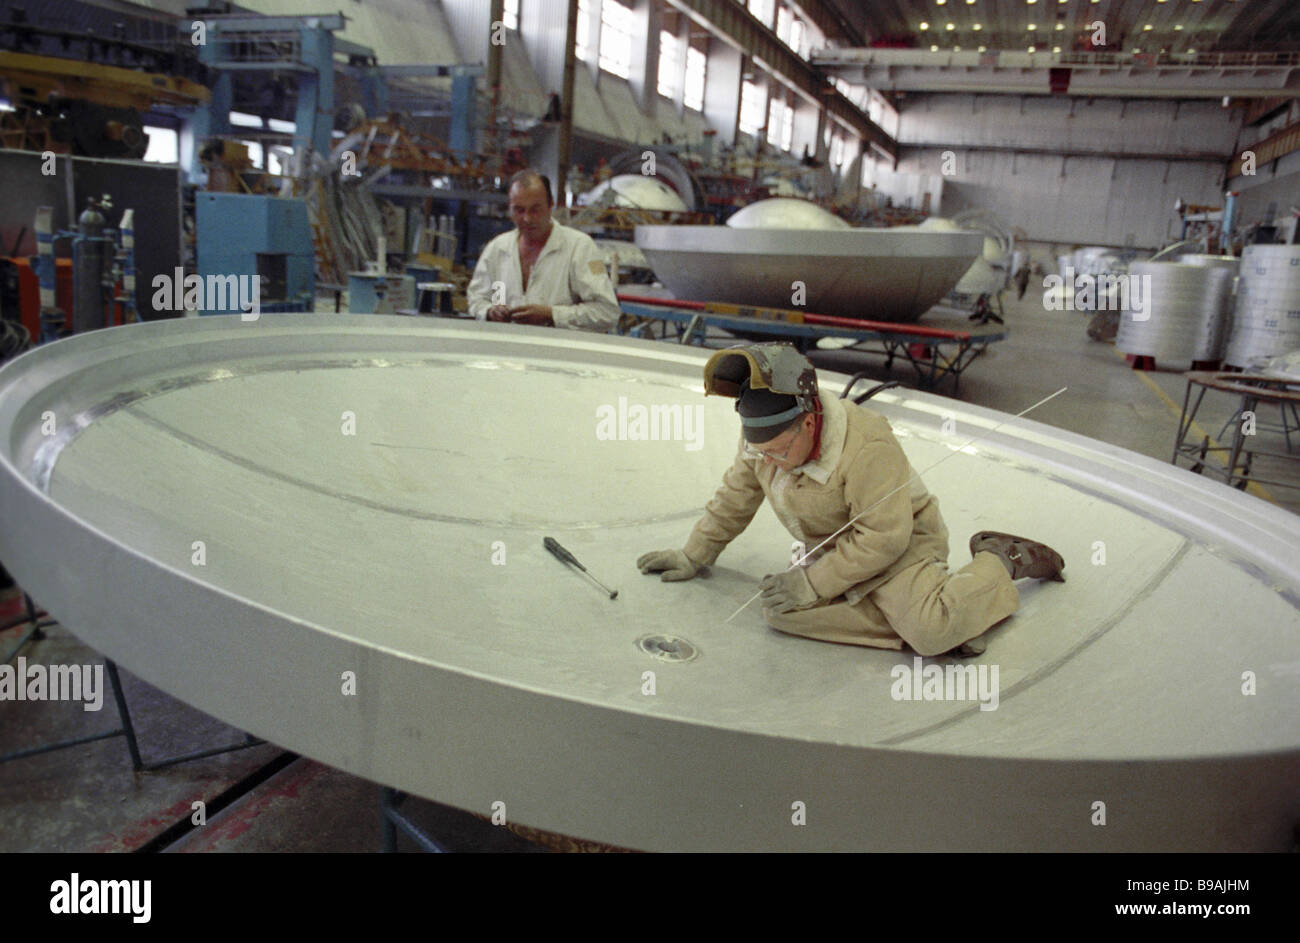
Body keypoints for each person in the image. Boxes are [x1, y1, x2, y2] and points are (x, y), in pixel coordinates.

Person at [636, 343, 1066, 657]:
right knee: (779, 613)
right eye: (762, 453)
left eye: (780, 451)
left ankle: (996, 560)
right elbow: (736, 496)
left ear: (809, 422)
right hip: (836, 550)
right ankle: (943, 620)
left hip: (902, 545)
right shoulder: (767, 438)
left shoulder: (866, 445)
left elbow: (883, 539)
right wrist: (695, 553)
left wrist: (812, 584)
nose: (772, 463)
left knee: (930, 633)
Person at [465, 170, 620, 332]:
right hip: (506, 350)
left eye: (535, 209)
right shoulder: (497, 249)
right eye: (519, 210)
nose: (527, 218)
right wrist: (490, 311)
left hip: (558, 354)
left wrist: (552, 315)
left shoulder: (580, 247)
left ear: (550, 205)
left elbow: (607, 312)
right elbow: (476, 299)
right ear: (509, 209)